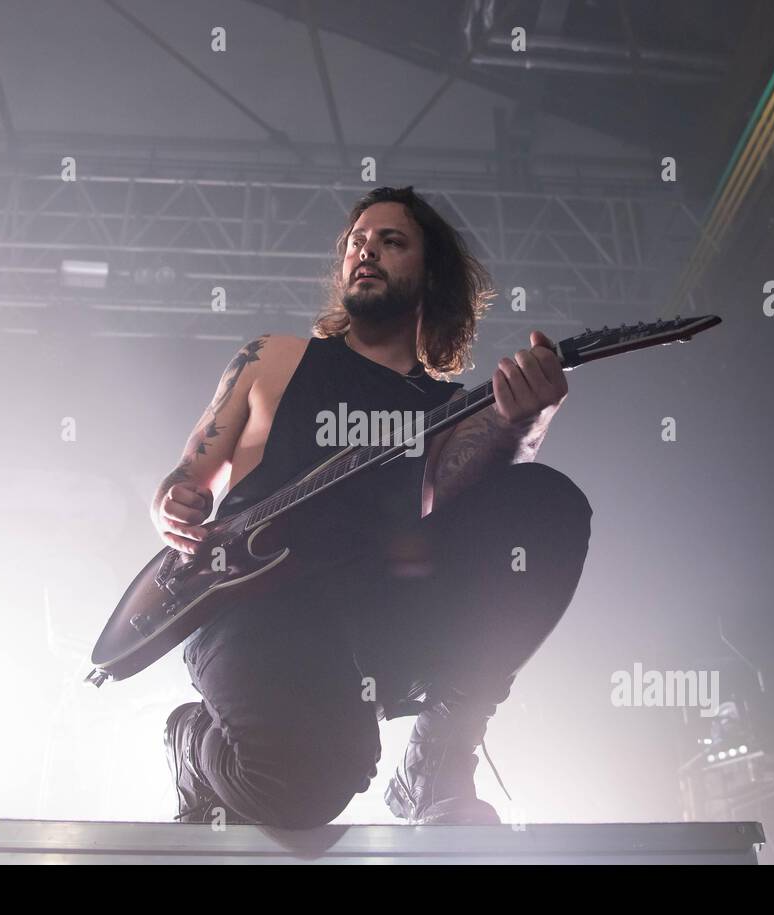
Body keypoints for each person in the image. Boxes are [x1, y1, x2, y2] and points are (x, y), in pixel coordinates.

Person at [152, 186, 592, 827]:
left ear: (430, 273)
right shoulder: (274, 358)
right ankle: (191, 742)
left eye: (391, 242)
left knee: (547, 504)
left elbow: (485, 512)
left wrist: (525, 421)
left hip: (370, 611)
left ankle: (436, 762)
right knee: (305, 789)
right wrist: (174, 497)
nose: (367, 251)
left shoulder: (446, 411)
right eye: (358, 241)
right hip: (253, 606)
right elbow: (192, 470)